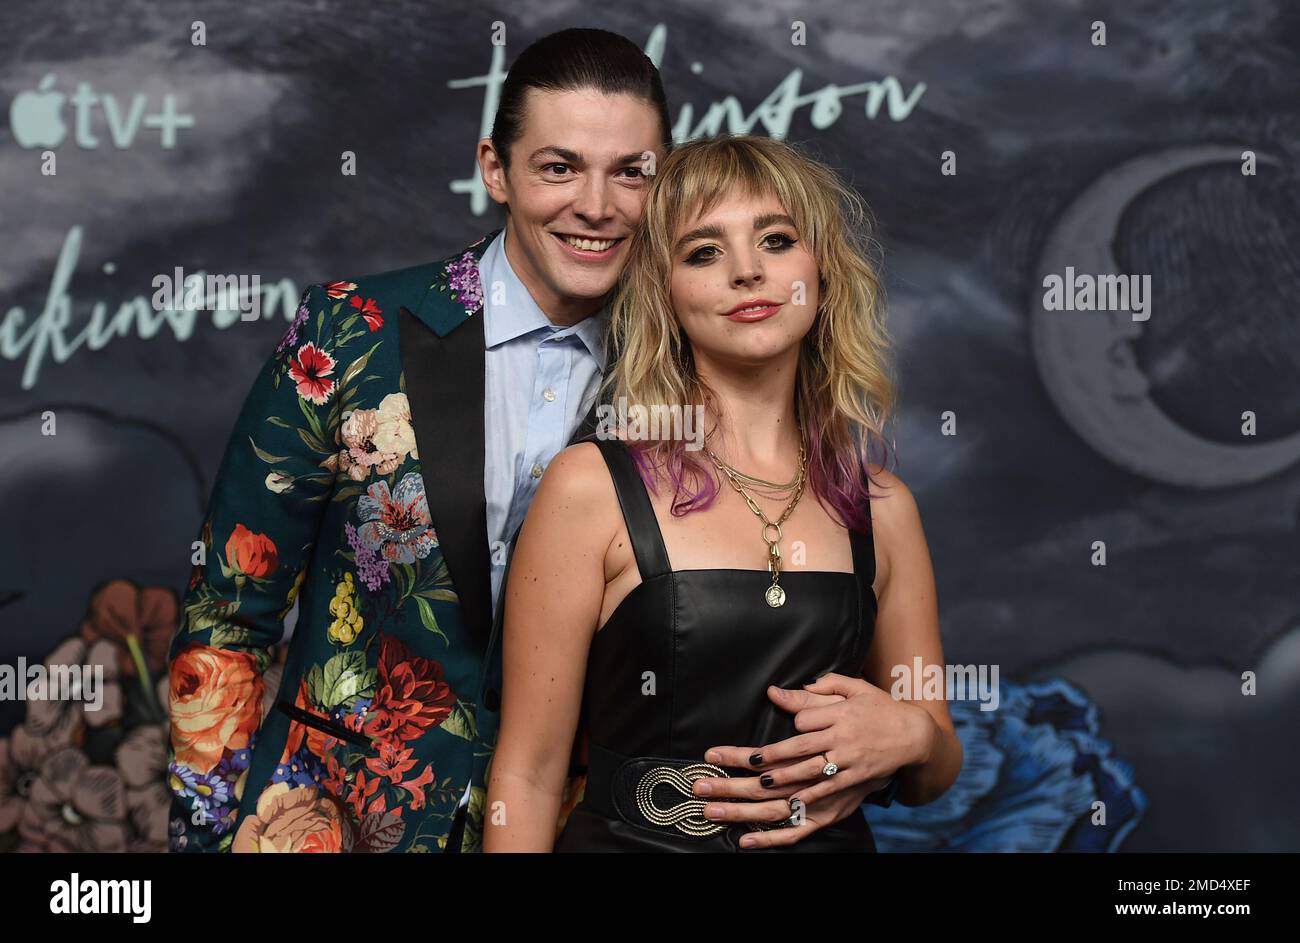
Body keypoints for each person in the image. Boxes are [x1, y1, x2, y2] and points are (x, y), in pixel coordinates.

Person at [164, 27, 671, 853]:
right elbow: (229, 611)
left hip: (577, 832)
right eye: (559, 166)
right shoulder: (351, 333)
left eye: (631, 172)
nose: (597, 205)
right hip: (328, 826)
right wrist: (207, 833)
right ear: (494, 169)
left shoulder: (686, 380)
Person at [484, 134, 963, 852]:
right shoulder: (590, 487)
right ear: (665, 293)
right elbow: (527, 775)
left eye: (776, 240)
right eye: (704, 251)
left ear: (822, 271)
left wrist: (915, 733)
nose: (746, 271)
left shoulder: (884, 508)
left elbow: (935, 769)